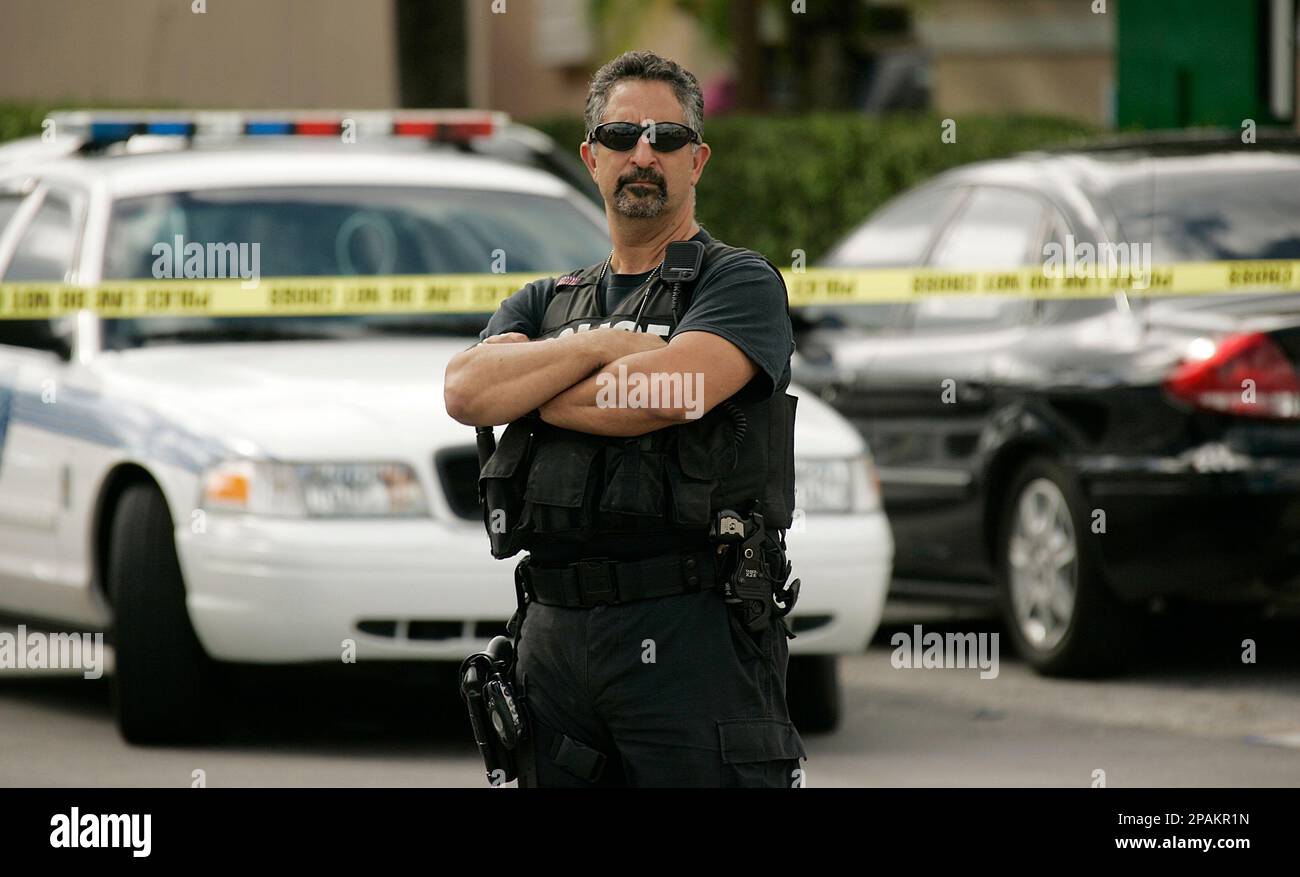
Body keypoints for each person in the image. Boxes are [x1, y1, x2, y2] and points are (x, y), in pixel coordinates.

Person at [444, 50, 805, 788]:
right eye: (620, 136)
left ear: (697, 159)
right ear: (591, 157)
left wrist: (539, 388)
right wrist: (606, 346)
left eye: (666, 138)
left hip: (691, 635)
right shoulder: (549, 298)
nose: (643, 152)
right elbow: (467, 391)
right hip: (554, 639)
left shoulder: (737, 281)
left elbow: (669, 392)